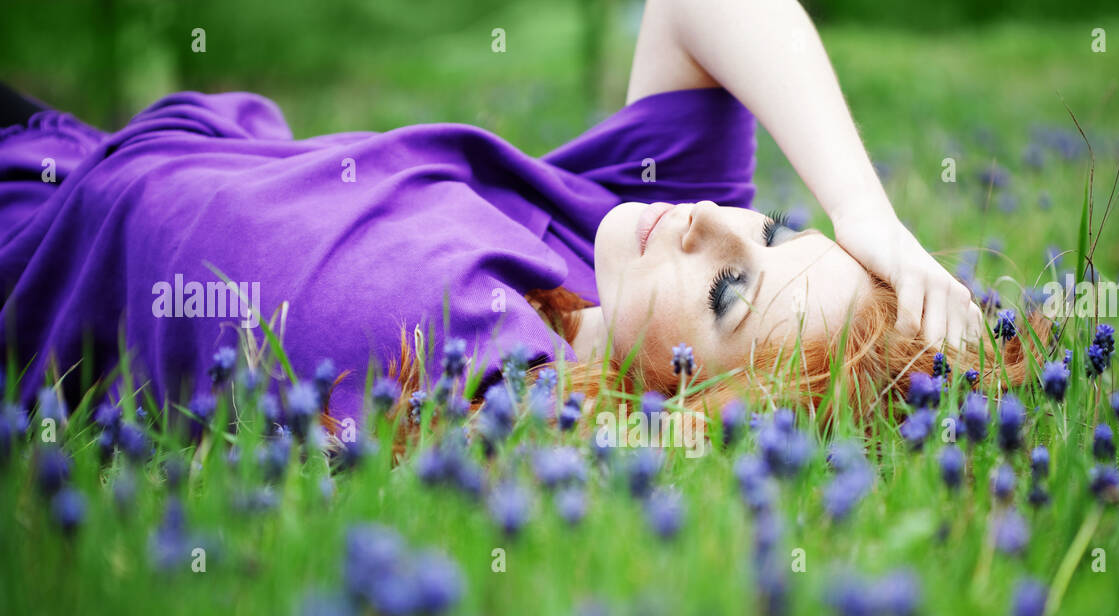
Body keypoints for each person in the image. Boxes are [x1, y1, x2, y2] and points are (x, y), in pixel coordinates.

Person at [1, 0, 1020, 434]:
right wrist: (863, 210)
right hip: (63, 145)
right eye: (773, 232)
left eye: (729, 291)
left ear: (691, 413)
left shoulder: (474, 366)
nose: (712, 219)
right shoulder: (623, 233)